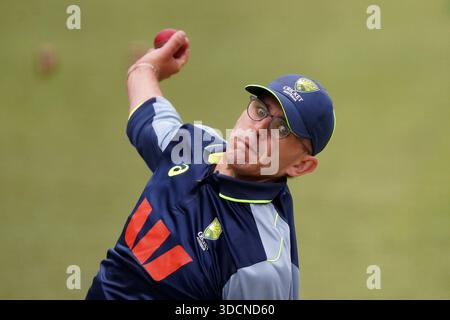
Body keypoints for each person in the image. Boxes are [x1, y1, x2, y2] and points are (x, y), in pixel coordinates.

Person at [86, 30, 335, 300]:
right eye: (260, 111)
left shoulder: (259, 263)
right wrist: (147, 66)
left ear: (301, 166)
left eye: (281, 129)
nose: (258, 128)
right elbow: (146, 118)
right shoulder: (192, 146)